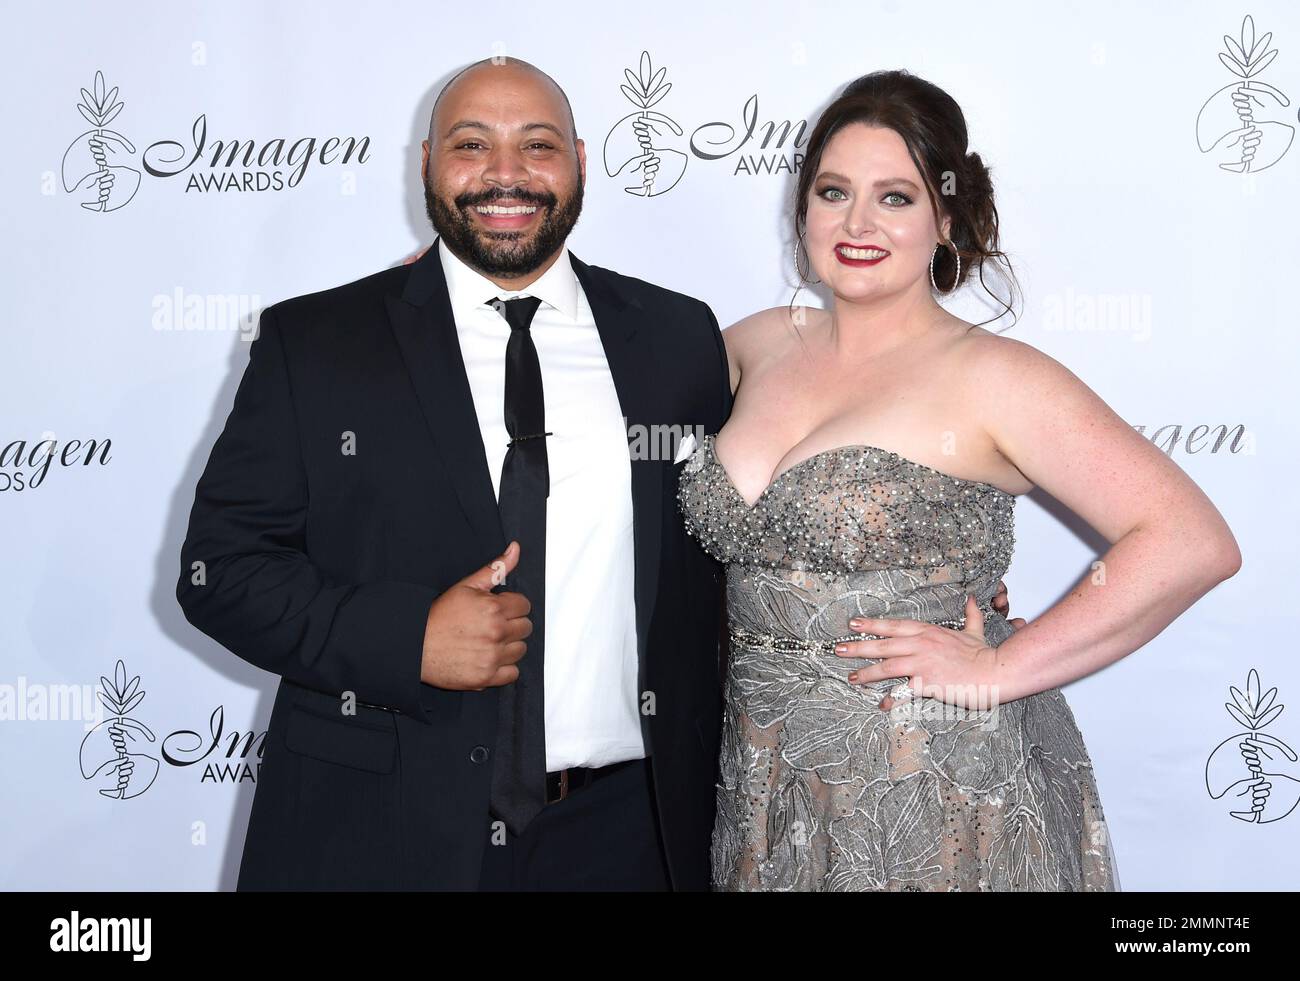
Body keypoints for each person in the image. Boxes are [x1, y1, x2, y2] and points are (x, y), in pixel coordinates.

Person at [176, 56, 1016, 891]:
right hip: (375, 830)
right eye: (472, 145)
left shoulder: (677, 340)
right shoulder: (319, 343)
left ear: (579, 160)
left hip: (627, 837)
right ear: (426, 162)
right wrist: (408, 638)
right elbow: (220, 573)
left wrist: (919, 595)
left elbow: (751, 523)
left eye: (537, 145)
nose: (506, 174)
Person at [676, 69, 1242, 891]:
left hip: (930, 790)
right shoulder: (756, 344)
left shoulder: (991, 377)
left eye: (895, 197)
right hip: (764, 788)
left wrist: (1000, 668)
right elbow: (606, 408)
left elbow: (1192, 541)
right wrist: (438, 302)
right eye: (833, 192)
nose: (858, 222)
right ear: (802, 210)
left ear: (945, 218)